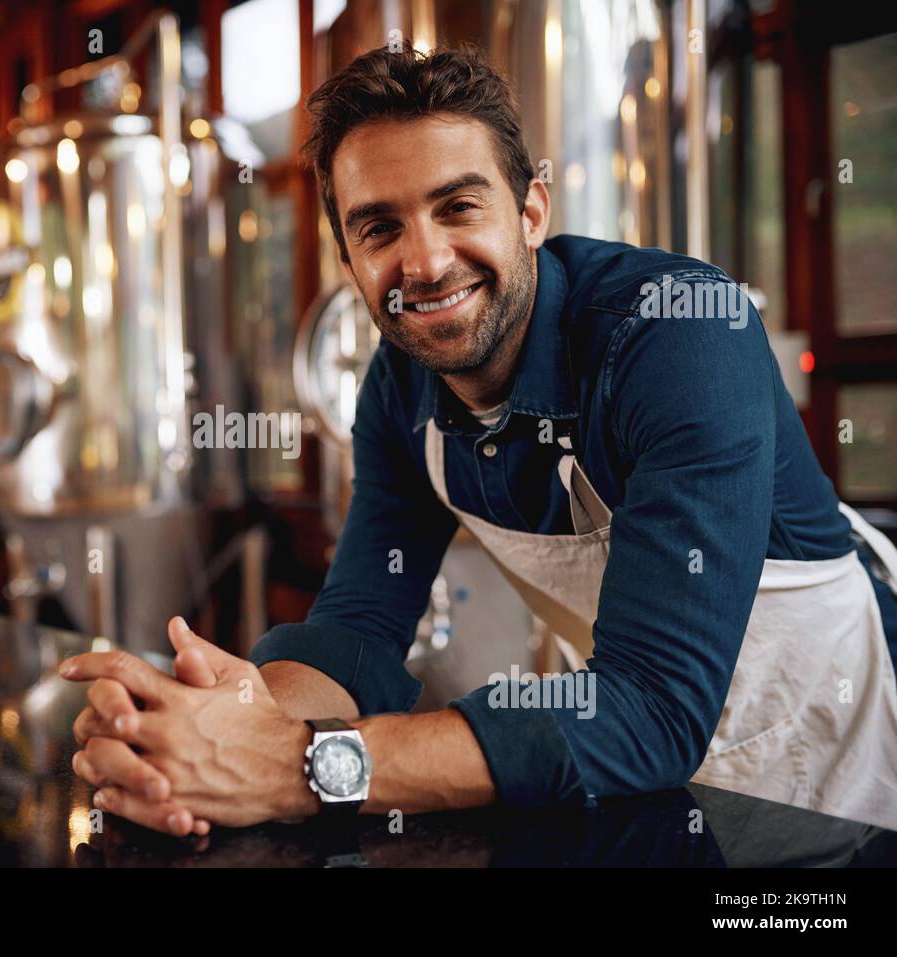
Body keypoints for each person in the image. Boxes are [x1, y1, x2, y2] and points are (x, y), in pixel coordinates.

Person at [60, 43, 897, 836]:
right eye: (379, 228)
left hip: (838, 778)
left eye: (458, 206)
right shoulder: (397, 391)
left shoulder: (678, 335)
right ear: (349, 260)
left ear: (530, 209)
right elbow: (355, 629)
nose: (423, 261)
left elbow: (652, 705)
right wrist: (221, 722)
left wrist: (299, 764)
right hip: (650, 788)